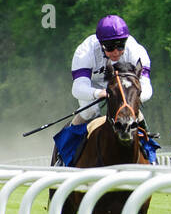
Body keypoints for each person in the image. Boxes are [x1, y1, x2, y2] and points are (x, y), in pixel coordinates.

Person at [53, 15, 154, 166]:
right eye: (110, 47)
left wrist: (131, 96)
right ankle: (62, 157)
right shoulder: (85, 51)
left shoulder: (136, 51)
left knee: (136, 114)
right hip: (92, 88)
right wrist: (99, 93)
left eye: (120, 45)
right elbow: (78, 88)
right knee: (89, 112)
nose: (116, 52)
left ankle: (150, 155)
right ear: (100, 44)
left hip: (124, 89)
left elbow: (146, 87)